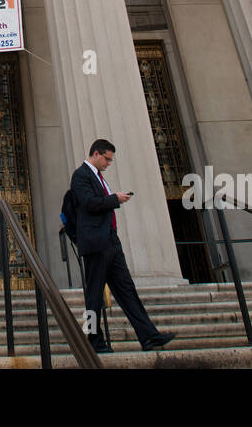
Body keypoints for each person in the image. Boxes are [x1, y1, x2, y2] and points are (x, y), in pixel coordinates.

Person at [72, 139, 177, 354]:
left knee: (127, 291)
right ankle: (93, 341)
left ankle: (149, 336)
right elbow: (89, 203)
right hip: (95, 243)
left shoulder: (99, 178)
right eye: (107, 159)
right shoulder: (81, 175)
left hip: (110, 241)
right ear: (96, 154)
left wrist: (114, 199)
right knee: (94, 296)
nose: (109, 164)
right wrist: (114, 199)